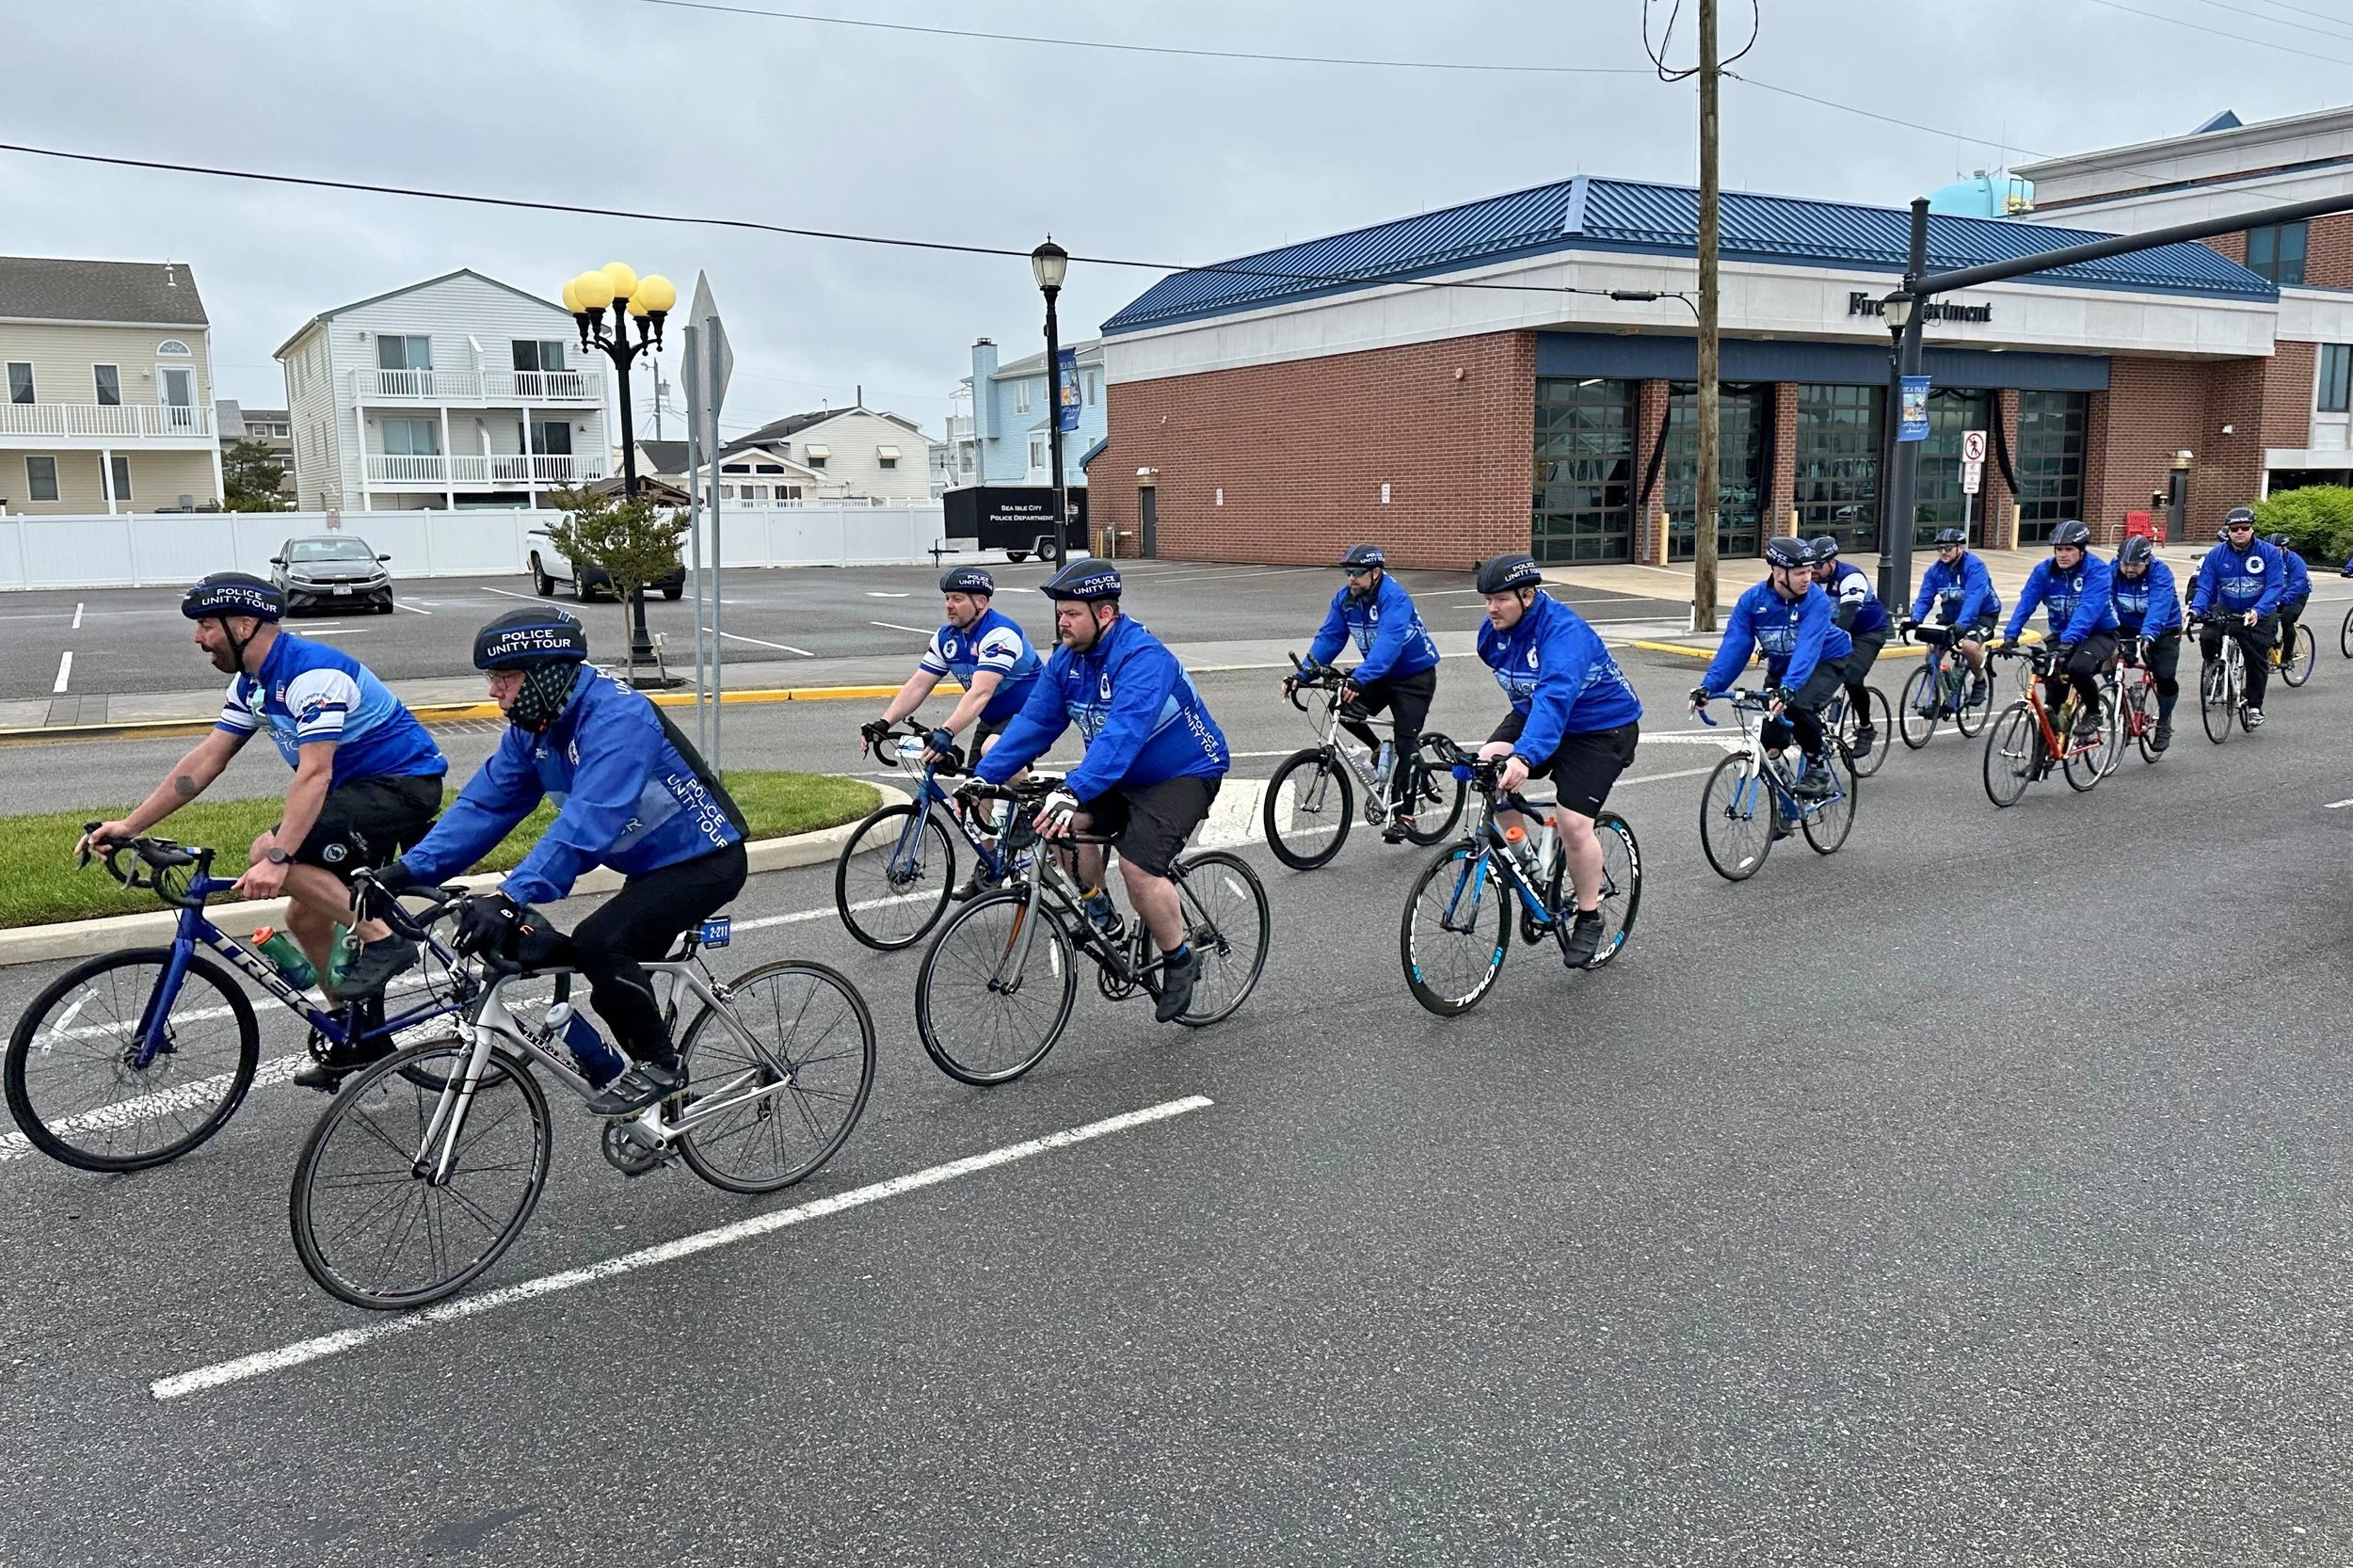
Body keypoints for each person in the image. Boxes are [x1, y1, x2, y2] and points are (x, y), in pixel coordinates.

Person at [377, 610, 748, 1112]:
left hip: (705, 860)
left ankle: (664, 1068)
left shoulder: (619, 718)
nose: (494, 692)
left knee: (602, 945)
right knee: (603, 982)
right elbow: (488, 805)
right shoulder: (537, 726)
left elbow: (590, 821)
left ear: (546, 673)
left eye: (504, 679)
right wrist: (408, 871)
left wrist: (512, 895)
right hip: (649, 866)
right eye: (492, 679)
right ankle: (651, 1103)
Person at [79, 573, 446, 1033]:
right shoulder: (251, 685)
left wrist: (278, 858)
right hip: (349, 794)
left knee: (268, 852)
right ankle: (351, 1030)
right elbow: (207, 760)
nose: (198, 638)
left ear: (246, 623)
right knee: (304, 917)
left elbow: (315, 773)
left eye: (206, 625)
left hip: (400, 786)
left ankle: (383, 939)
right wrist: (131, 825)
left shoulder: (313, 676)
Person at [974, 559, 1231, 1023]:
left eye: (1072, 613)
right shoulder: (1067, 662)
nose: (1062, 622)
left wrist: (1074, 787)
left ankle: (1178, 957)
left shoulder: (1143, 658)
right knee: (1057, 827)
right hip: (1119, 774)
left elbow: (1124, 734)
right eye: (1060, 613)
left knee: (1138, 867)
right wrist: (985, 775)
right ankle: (1102, 915)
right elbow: (1035, 722)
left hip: (1182, 773)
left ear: (1105, 614)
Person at [1473, 553, 1643, 968]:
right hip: (1540, 715)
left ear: (1528, 596)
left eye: (1500, 599)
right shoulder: (1493, 634)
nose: (1491, 608)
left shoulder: (1563, 635)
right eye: (1487, 600)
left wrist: (1527, 755)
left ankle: (1589, 915)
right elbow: (1527, 700)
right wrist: (1506, 753)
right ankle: (1528, 863)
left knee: (1572, 822)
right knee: (1486, 766)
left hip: (1602, 728)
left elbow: (1554, 698)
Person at [862, 564, 1043, 895]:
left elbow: (981, 692)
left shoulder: (1001, 634)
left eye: (957, 598)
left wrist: (946, 731)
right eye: (947, 598)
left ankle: (1031, 810)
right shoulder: (946, 638)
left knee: (993, 751)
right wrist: (883, 722)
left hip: (1033, 713)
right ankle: (990, 871)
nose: (948, 605)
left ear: (981, 603)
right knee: (975, 795)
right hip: (991, 717)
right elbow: (920, 684)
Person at [1291, 543, 1442, 841]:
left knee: (1405, 742)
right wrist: (1302, 676)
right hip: (1379, 672)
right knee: (1343, 710)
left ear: (1376, 573)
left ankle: (1407, 816)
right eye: (1348, 572)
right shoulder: (1347, 599)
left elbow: (1388, 645)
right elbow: (1329, 639)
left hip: (1414, 677)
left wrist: (1360, 678)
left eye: (1357, 573)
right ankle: (1376, 749)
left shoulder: (1394, 598)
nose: (1351, 578)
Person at [1692, 536, 1853, 803]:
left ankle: (1817, 765)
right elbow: (1736, 645)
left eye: (1810, 571)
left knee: (1799, 705)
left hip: (1827, 660)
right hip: (1783, 666)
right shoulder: (1753, 601)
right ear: (1778, 572)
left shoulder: (1816, 601)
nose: (1808, 577)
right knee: (1769, 736)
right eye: (1800, 572)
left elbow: (1808, 648)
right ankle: (1786, 805)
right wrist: (1710, 686)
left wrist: (1789, 689)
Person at [1997, 520, 2119, 741]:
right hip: (2062, 636)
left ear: (2081, 551)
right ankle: (2043, 756)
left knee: (2078, 669)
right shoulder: (2044, 571)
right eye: (2059, 549)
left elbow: (2088, 609)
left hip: (2099, 633)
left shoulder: (2097, 571)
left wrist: (2070, 640)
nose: (2062, 554)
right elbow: (2026, 603)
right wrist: (2010, 636)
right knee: (2052, 694)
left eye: (2069, 549)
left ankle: (2093, 712)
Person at [2188, 505, 2286, 727]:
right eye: (2234, 528)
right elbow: (2205, 588)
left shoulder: (2268, 553)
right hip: (2227, 606)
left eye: (2244, 527)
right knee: (2207, 635)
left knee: (2256, 658)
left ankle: (2254, 706)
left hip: (2258, 610)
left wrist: (2258, 611)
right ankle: (2216, 668)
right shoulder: (2216, 555)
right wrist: (2196, 609)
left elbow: (2274, 587)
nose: (2239, 532)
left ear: (2252, 529)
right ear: (2228, 531)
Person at [1808, 536, 1889, 760]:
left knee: (1852, 677)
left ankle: (1865, 728)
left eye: (1817, 565)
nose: (1812, 570)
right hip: (1834, 631)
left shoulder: (1850, 576)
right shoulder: (1810, 580)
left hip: (1867, 632)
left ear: (1832, 562)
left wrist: (1827, 642)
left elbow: (1848, 615)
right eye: (1809, 565)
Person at [1903, 527, 2001, 711]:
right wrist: (1915, 620)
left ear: (1960, 547)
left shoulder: (1975, 567)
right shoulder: (1935, 571)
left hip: (1982, 614)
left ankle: (1979, 681)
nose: (1942, 552)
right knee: (1932, 653)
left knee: (1969, 646)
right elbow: (1925, 597)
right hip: (1951, 615)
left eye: (1947, 548)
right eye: (1939, 549)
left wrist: (1962, 625)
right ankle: (1935, 701)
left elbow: (1974, 598)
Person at [2109, 534, 2185, 753]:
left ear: (2148, 561)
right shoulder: (2112, 569)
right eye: (2126, 564)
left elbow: (2159, 606)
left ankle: (2164, 721)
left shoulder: (2161, 573)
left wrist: (2149, 634)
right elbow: (2104, 599)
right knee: (2108, 660)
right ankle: (2121, 702)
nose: (2129, 569)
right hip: (2126, 624)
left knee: (2165, 676)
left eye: (2135, 565)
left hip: (2162, 627)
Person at [2265, 532, 2312, 677]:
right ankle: (2271, 643)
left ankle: (2288, 656)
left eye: (2277, 549)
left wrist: (2282, 600)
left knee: (2287, 618)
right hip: (2276, 595)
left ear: (2285, 548)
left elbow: (2298, 584)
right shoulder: (2264, 560)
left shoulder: (2295, 561)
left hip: (2297, 595)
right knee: (2264, 616)